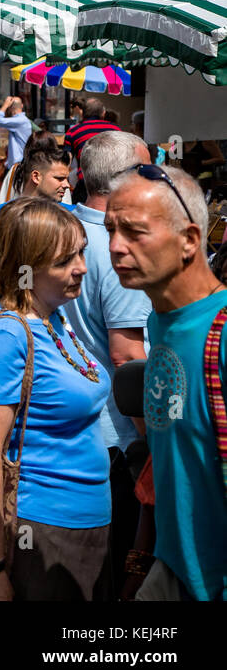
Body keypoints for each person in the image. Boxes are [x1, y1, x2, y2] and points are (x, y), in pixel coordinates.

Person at [0, 198, 112, 601]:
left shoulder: (54, 317)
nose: (80, 266)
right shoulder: (7, 334)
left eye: (82, 252)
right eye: (65, 259)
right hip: (39, 531)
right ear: (25, 266)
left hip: (82, 525)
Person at [108, 164, 227, 601]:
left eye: (135, 232)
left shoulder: (223, 332)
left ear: (190, 241)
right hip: (172, 571)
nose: (116, 247)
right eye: (111, 230)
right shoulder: (160, 324)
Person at [57, 131, 152, 590]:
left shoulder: (62, 229)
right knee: (117, 572)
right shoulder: (120, 249)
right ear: (125, 180)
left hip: (71, 427)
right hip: (117, 439)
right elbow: (128, 354)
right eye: (149, 171)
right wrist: (153, 439)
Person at [0, 139, 72, 311]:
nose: (67, 185)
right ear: (36, 176)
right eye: (59, 178)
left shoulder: (73, 217)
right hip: (11, 315)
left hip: (61, 322)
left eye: (66, 178)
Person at [0, 96, 34, 173]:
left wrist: (5, 105)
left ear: (10, 107)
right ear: (22, 106)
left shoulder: (18, 121)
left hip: (18, 164)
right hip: (18, 162)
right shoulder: (22, 120)